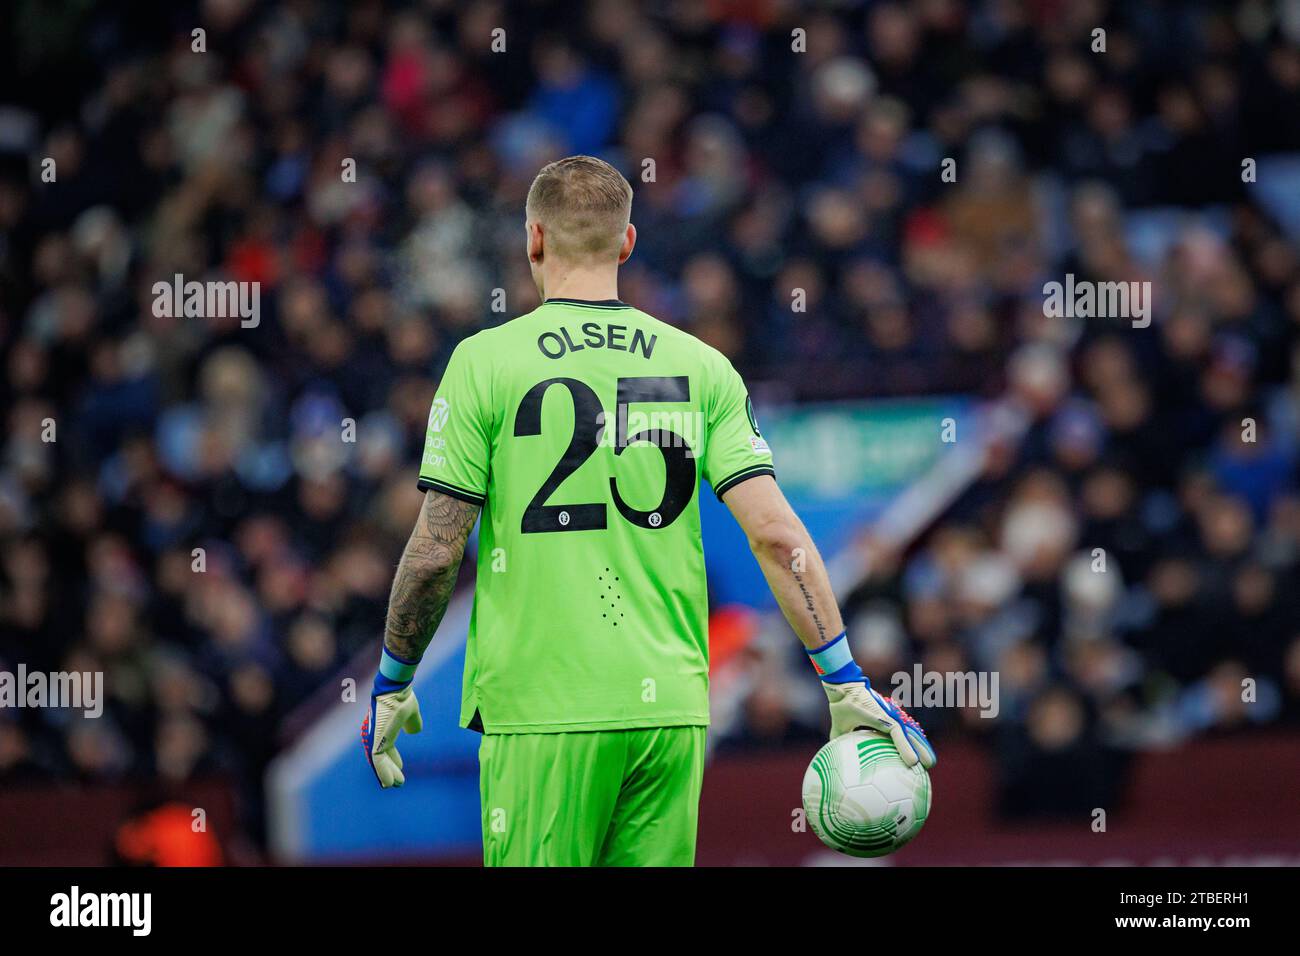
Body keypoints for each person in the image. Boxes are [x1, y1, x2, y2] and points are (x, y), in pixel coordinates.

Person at [361, 155, 935, 866]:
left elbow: (437, 550)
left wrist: (393, 677)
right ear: (627, 243)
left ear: (533, 239)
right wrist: (843, 676)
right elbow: (778, 536)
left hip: (547, 707)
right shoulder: (701, 365)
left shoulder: (486, 361)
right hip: (670, 710)